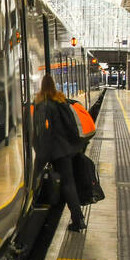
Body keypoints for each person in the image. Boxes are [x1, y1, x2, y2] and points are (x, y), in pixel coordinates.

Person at [32, 73, 87, 232]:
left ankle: (76, 220)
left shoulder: (43, 105)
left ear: (41, 87)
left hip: (55, 151)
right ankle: (78, 219)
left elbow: (42, 133)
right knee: (69, 184)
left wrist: (41, 156)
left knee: (62, 185)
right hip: (68, 149)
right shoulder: (61, 102)